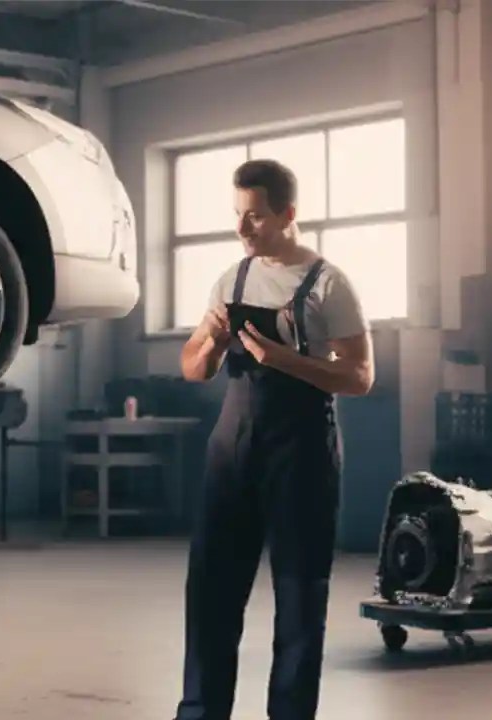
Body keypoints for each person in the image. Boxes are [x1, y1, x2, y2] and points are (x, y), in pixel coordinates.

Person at [174, 159, 375, 720]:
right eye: (238, 216)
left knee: (299, 600)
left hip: (303, 452)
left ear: (288, 214)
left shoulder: (329, 284)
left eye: (255, 218)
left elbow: (360, 376)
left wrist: (285, 359)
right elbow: (192, 367)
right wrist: (211, 342)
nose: (243, 230)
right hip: (231, 449)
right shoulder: (230, 279)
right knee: (211, 595)